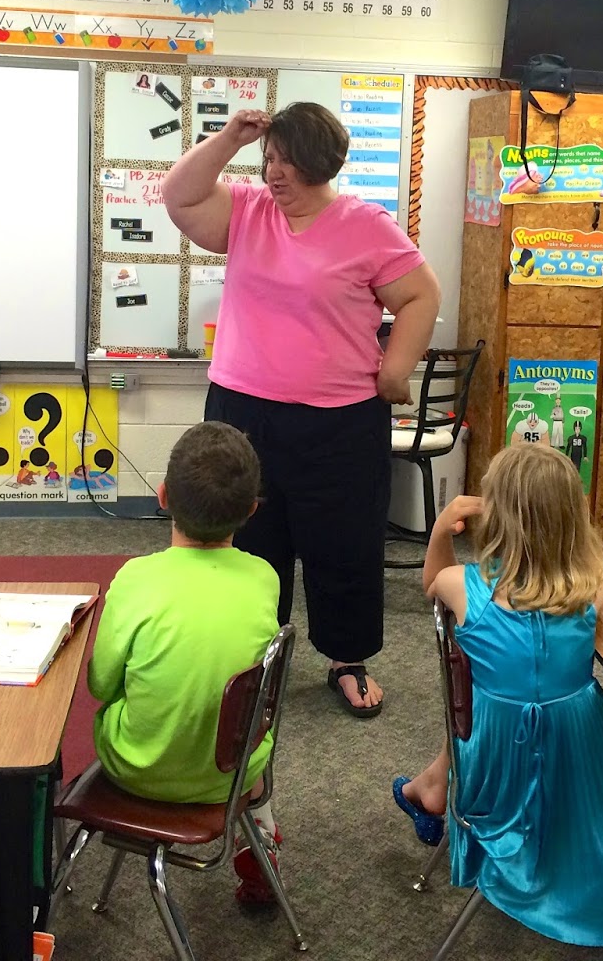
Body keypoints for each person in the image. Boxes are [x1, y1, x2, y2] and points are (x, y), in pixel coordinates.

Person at [163, 103, 440, 718]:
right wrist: (231, 138)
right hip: (243, 412)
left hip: (339, 420)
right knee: (249, 543)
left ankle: (347, 658)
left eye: (286, 161)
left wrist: (394, 371)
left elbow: (422, 294)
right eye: (269, 159)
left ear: (322, 163)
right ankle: (254, 659)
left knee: (343, 543)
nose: (273, 173)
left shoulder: (367, 226)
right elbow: (178, 196)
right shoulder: (246, 211)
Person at [390, 445, 603, 949]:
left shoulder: (465, 586)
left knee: (485, 698)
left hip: (496, 761)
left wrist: (440, 530)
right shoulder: (592, 591)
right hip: (580, 760)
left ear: (495, 514)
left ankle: (437, 785)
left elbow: (430, 583)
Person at [88, 421, 284, 902]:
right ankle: (259, 834)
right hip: (234, 769)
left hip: (138, 767)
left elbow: (99, 683)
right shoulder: (264, 577)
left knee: (118, 707)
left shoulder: (136, 578)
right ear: (252, 511)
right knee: (242, 724)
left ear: (162, 495)